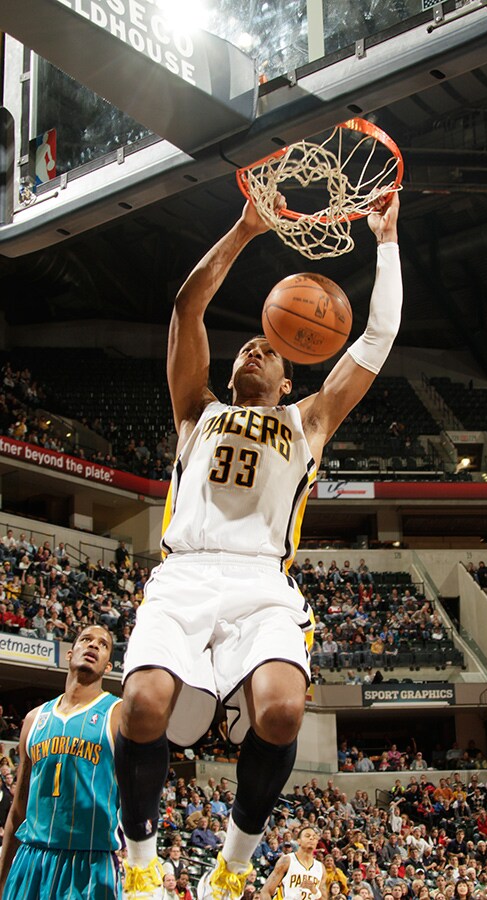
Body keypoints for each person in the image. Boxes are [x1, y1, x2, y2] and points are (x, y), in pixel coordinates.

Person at [114, 189, 403, 900]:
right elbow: (188, 308)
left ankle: (234, 863)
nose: (253, 348)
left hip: (263, 583)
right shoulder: (197, 410)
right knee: (143, 709)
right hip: (184, 575)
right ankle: (144, 859)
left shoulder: (310, 420)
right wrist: (246, 226)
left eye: (267, 349)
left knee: (280, 712)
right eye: (248, 343)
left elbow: (377, 337)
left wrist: (387, 243)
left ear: (288, 376)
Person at [0, 625, 122, 900]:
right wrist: (1, 876)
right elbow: (18, 809)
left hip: (88, 866)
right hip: (31, 859)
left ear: (108, 666)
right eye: (86, 639)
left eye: (102, 645)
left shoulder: (117, 714)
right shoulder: (34, 719)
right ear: (69, 653)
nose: (93, 646)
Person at [259, 826, 326, 900]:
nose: (311, 838)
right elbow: (266, 891)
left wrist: (315, 891)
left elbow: (324, 898)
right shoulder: (287, 860)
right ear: (298, 841)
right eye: (307, 836)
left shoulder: (321, 868)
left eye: (314, 837)